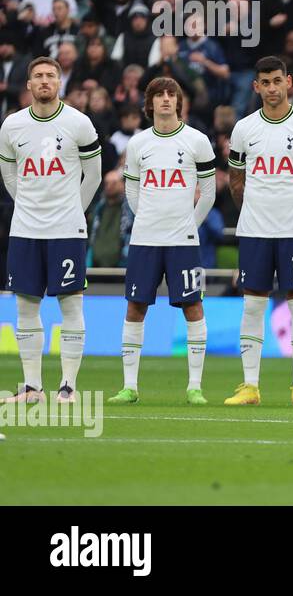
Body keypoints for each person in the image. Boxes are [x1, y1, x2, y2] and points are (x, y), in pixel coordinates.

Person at [224, 57, 293, 407]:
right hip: (255, 231)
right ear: (256, 87)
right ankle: (249, 387)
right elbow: (235, 181)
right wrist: (254, 212)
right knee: (253, 305)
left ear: (289, 82)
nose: (271, 88)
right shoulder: (243, 129)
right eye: (264, 83)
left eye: (277, 81)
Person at [0, 57, 103, 404]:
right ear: (28, 85)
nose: (45, 81)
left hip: (67, 230)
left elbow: (95, 175)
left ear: (60, 83)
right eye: (38, 76)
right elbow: (10, 175)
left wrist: (75, 210)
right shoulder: (11, 126)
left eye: (51, 76)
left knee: (70, 305)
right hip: (25, 229)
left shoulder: (79, 123)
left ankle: (68, 386)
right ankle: (32, 388)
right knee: (26, 307)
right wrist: (28, 204)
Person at [109, 77, 217, 406]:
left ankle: (194, 386)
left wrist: (189, 225)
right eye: (160, 95)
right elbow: (132, 191)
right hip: (145, 240)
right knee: (135, 306)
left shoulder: (197, 141)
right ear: (150, 102)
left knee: (193, 307)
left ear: (179, 102)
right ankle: (130, 386)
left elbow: (209, 193)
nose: (166, 100)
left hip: (184, 242)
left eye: (172, 94)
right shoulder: (139, 144)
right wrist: (148, 220)